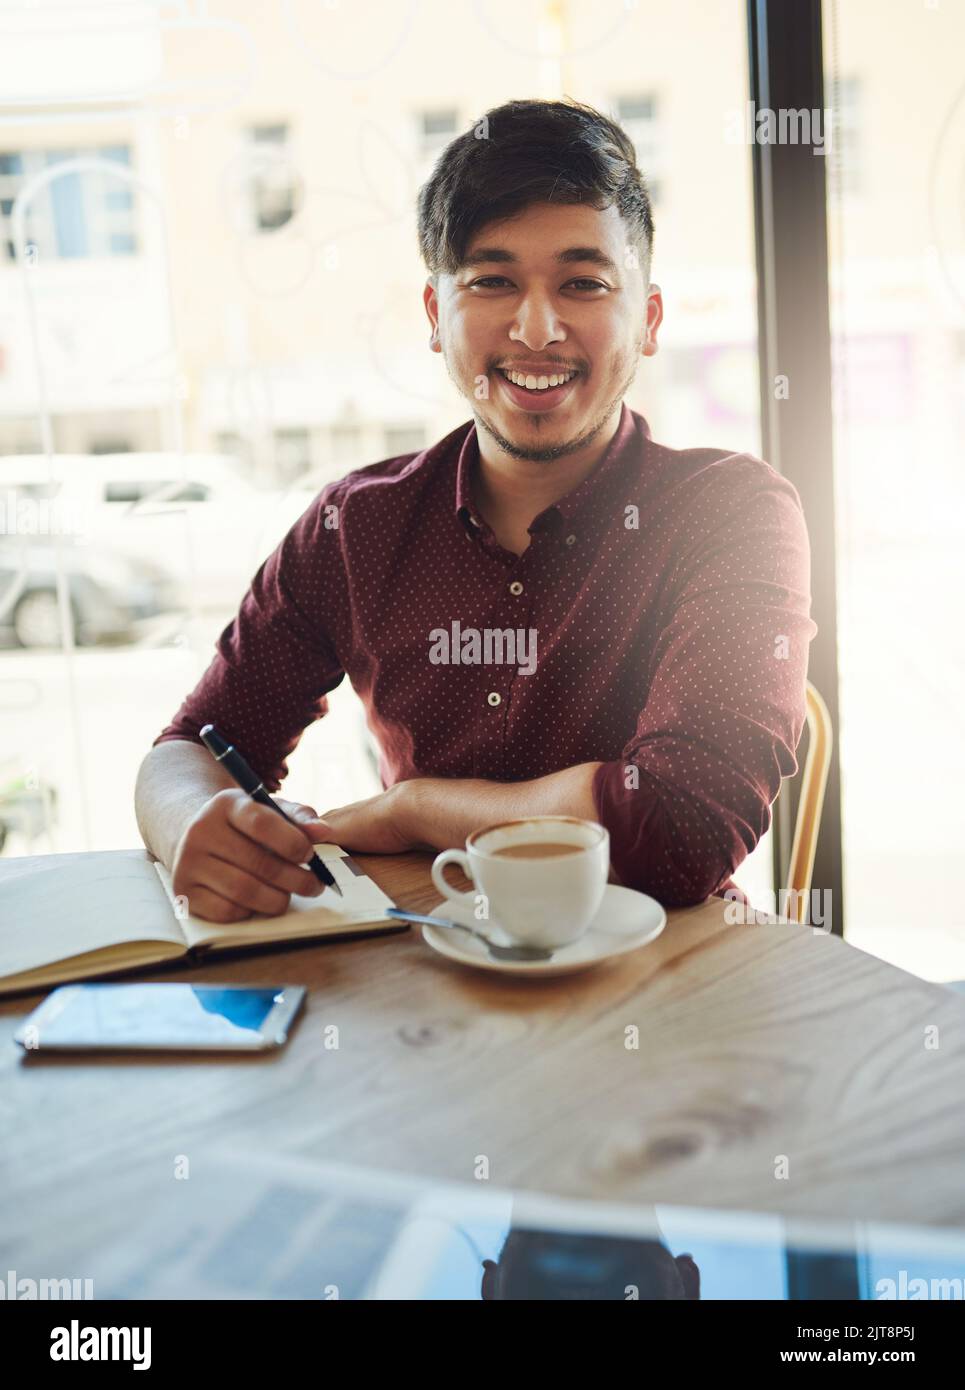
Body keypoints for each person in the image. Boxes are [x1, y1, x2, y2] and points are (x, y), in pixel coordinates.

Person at [135, 97, 816, 925]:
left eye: (583, 283)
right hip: (430, 972)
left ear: (646, 320)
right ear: (436, 314)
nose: (536, 329)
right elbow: (190, 747)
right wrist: (188, 825)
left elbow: (678, 828)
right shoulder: (356, 526)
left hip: (667, 978)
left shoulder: (729, 512)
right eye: (491, 281)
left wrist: (413, 809)